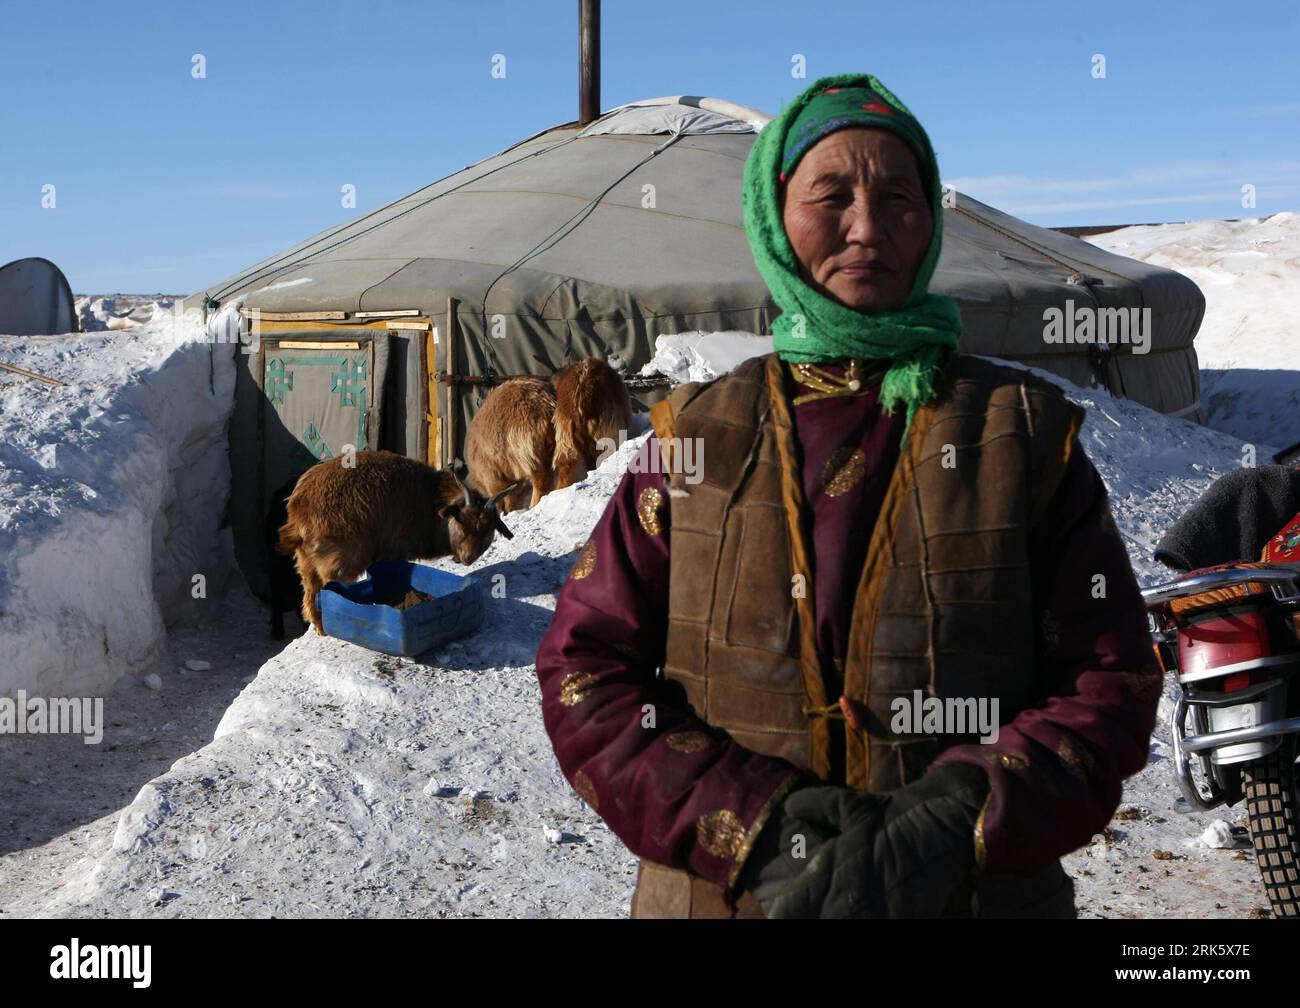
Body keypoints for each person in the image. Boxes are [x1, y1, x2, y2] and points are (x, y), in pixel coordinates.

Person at [534, 72, 1161, 918]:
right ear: (776, 217)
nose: (868, 227)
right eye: (832, 195)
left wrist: (955, 822)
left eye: (900, 196)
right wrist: (755, 824)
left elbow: (1111, 673)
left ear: (933, 220)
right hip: (728, 899)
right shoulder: (695, 439)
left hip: (971, 899)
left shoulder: (1025, 440)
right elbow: (586, 670)